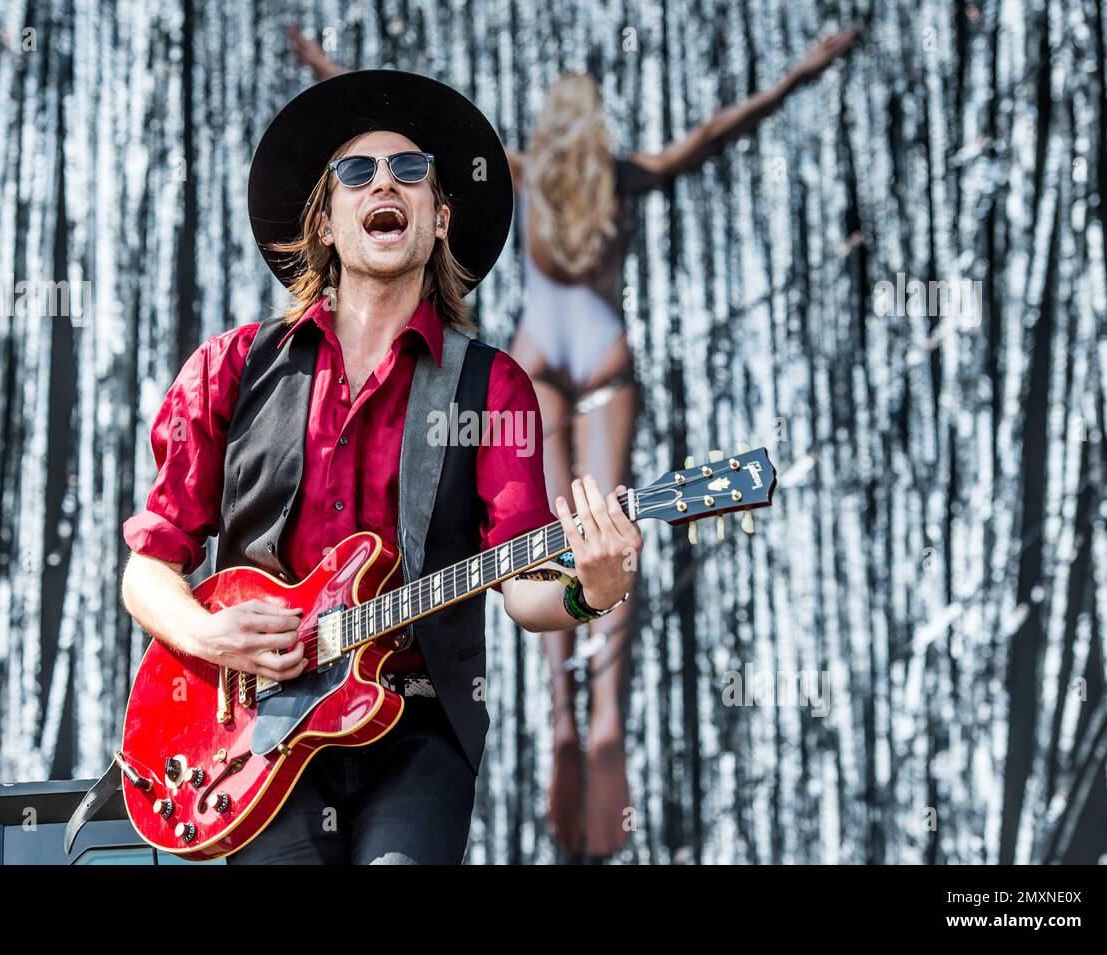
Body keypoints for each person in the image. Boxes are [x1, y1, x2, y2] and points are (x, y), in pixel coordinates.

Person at [287, 25, 859, 859]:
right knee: (590, 533)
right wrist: (800, 73)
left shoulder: (523, 174)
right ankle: (604, 718)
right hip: (598, 355)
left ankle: (564, 711)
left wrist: (326, 71)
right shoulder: (622, 176)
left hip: (540, 353)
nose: (389, 182)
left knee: (546, 549)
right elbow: (718, 133)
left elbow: (407, 136)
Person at [118, 69, 643, 864]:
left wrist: (591, 587)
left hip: (415, 726)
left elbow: (525, 583)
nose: (383, 184)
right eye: (356, 173)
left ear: (439, 219)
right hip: (256, 731)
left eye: (410, 172)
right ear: (326, 222)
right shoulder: (230, 367)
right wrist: (212, 634)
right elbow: (147, 570)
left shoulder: (491, 386)